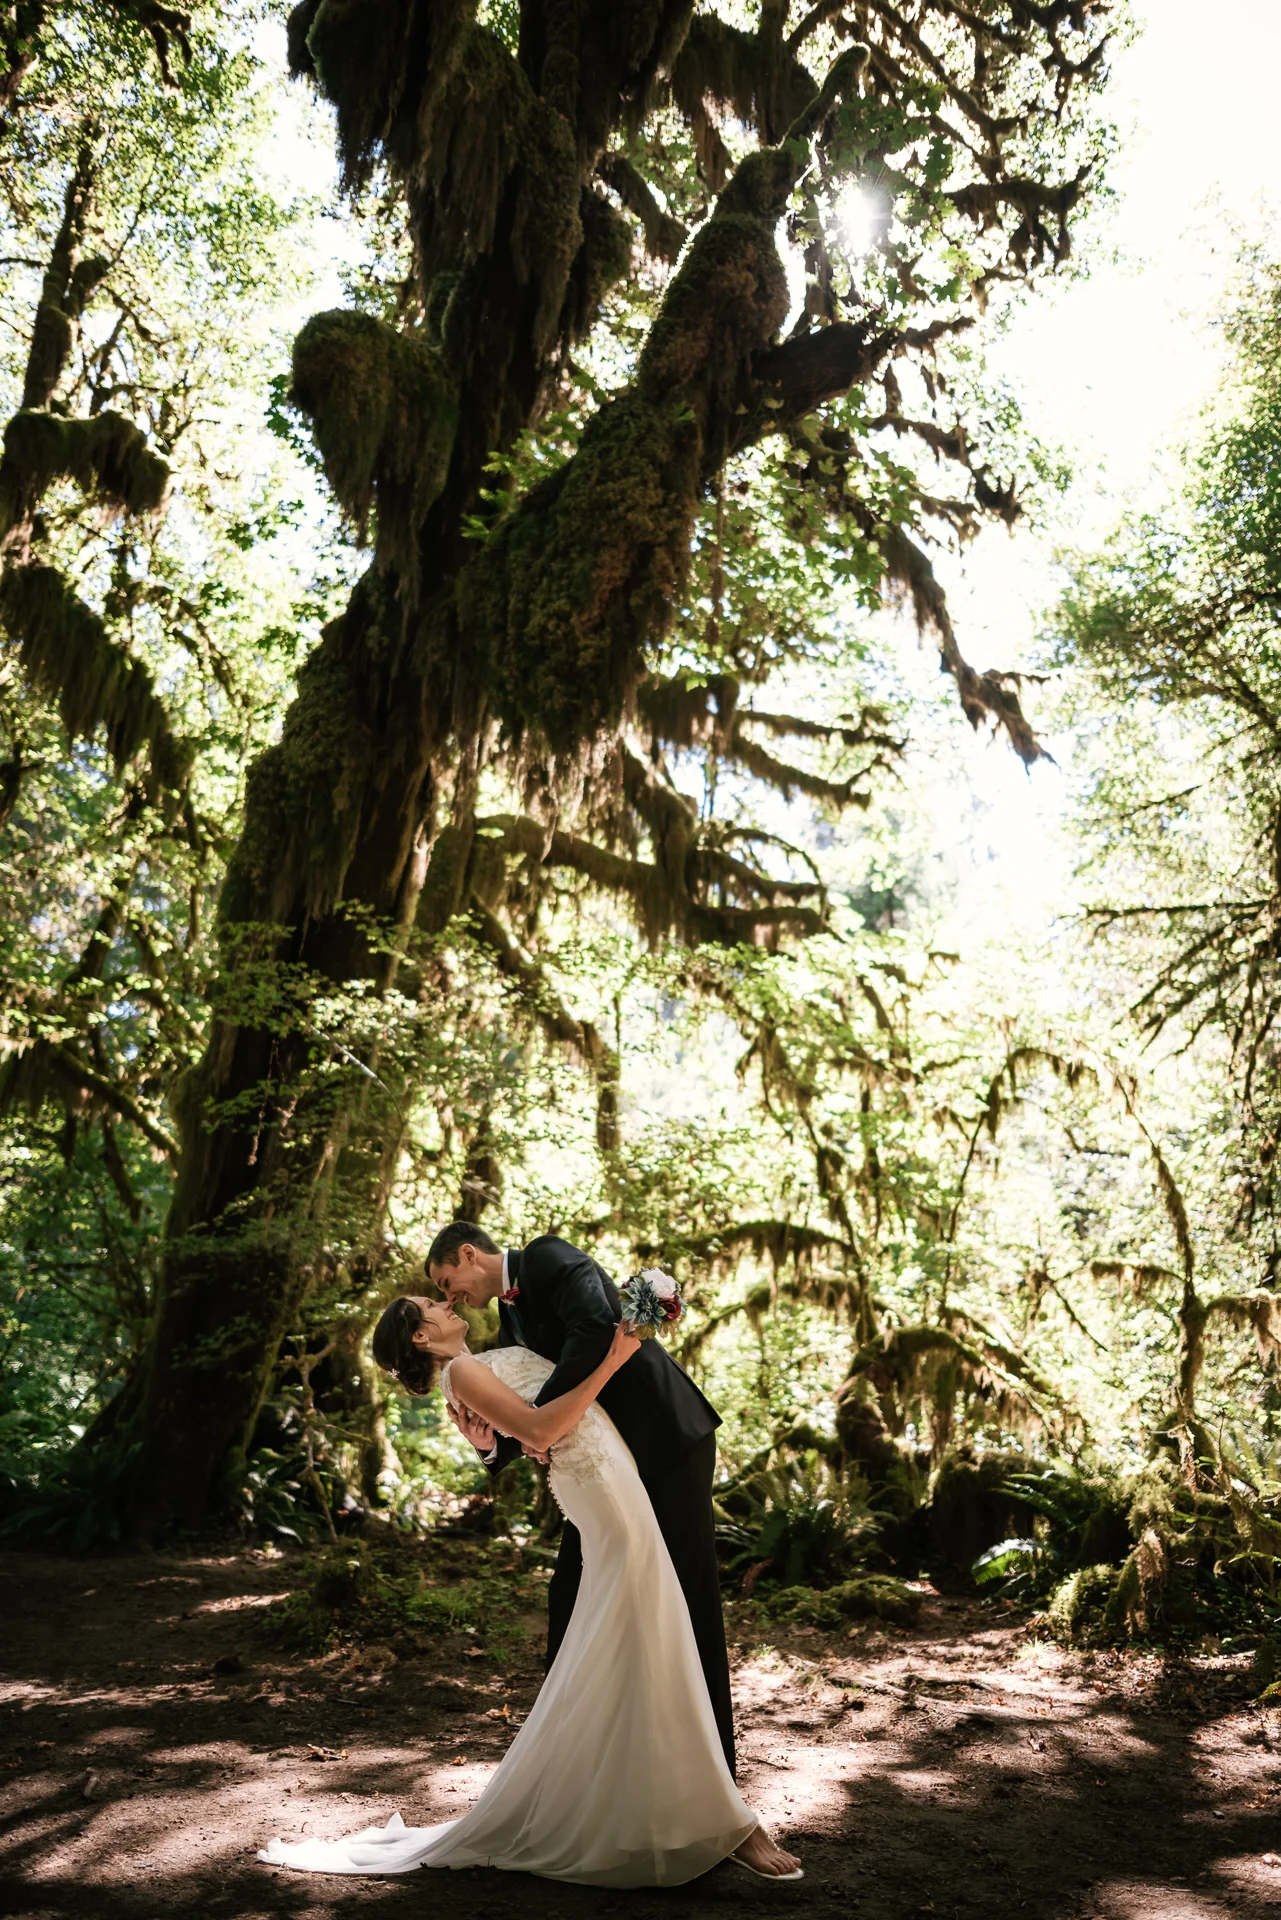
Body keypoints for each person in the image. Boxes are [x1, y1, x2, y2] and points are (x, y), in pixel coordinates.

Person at [259, 1284, 801, 1886]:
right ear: (421, 1336)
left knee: (635, 1637)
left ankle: (644, 1804)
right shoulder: (462, 1372)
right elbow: (542, 1431)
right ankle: (726, 1821)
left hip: (607, 1472)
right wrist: (613, 1360)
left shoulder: (474, 1365)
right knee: (656, 1631)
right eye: (433, 1307)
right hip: (599, 1484)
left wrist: (505, 1440)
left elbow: (530, 1430)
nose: (447, 1305)